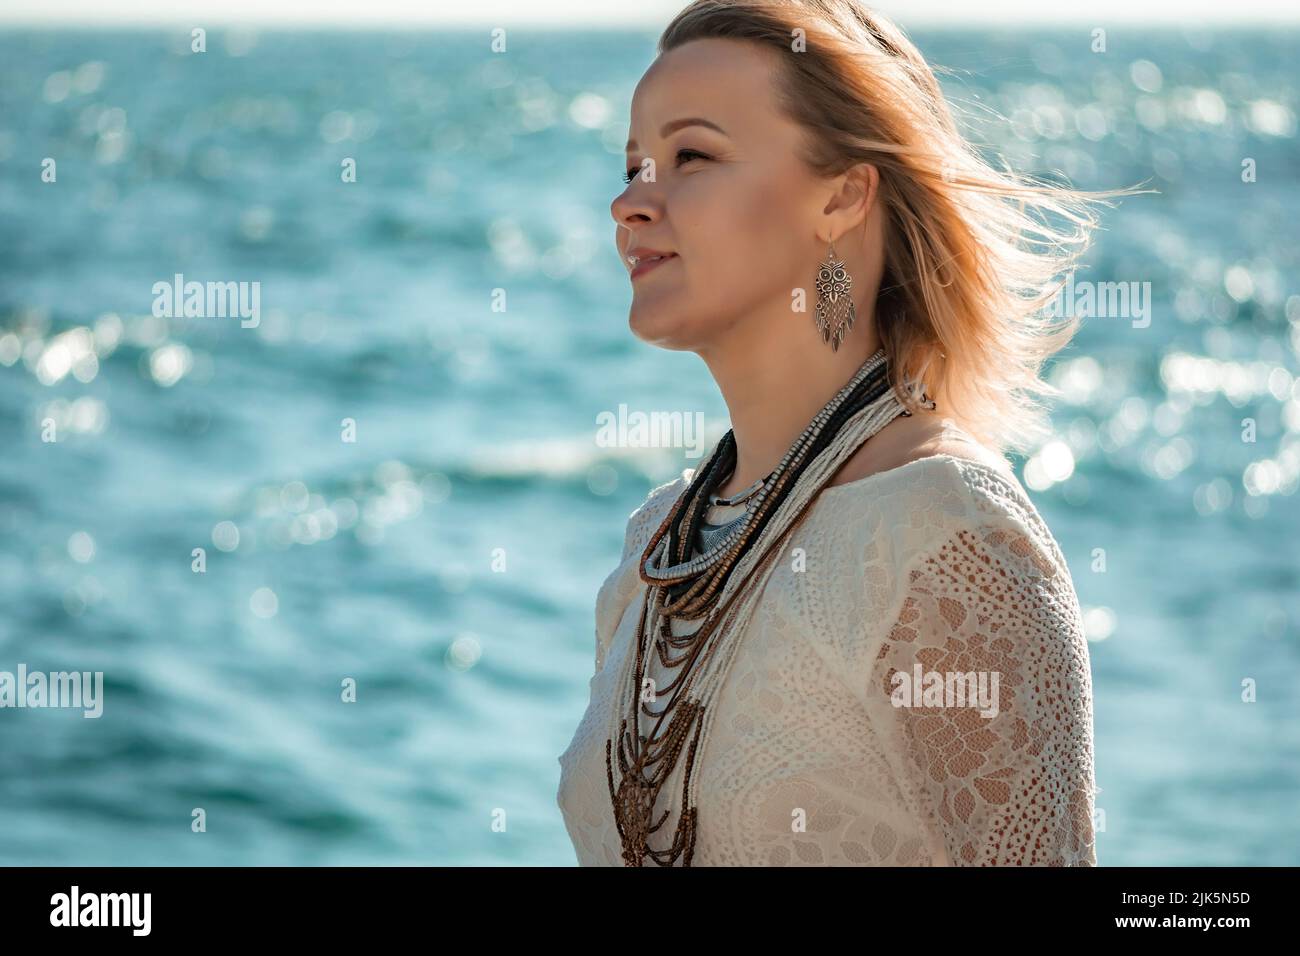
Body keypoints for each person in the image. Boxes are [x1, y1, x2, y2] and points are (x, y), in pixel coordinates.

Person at [558, 0, 1122, 866]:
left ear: (844, 195)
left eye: (691, 156)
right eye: (635, 164)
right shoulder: (658, 547)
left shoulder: (945, 537)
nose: (629, 202)